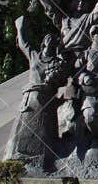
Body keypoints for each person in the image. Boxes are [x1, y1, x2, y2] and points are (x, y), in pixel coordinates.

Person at [6, 16, 70, 171]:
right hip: (31, 99)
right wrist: (20, 27)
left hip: (46, 101)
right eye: (48, 40)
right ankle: (18, 165)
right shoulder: (34, 56)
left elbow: (63, 80)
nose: (51, 43)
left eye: (54, 42)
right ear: (43, 43)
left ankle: (43, 165)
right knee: (23, 133)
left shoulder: (57, 63)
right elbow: (23, 43)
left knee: (45, 133)